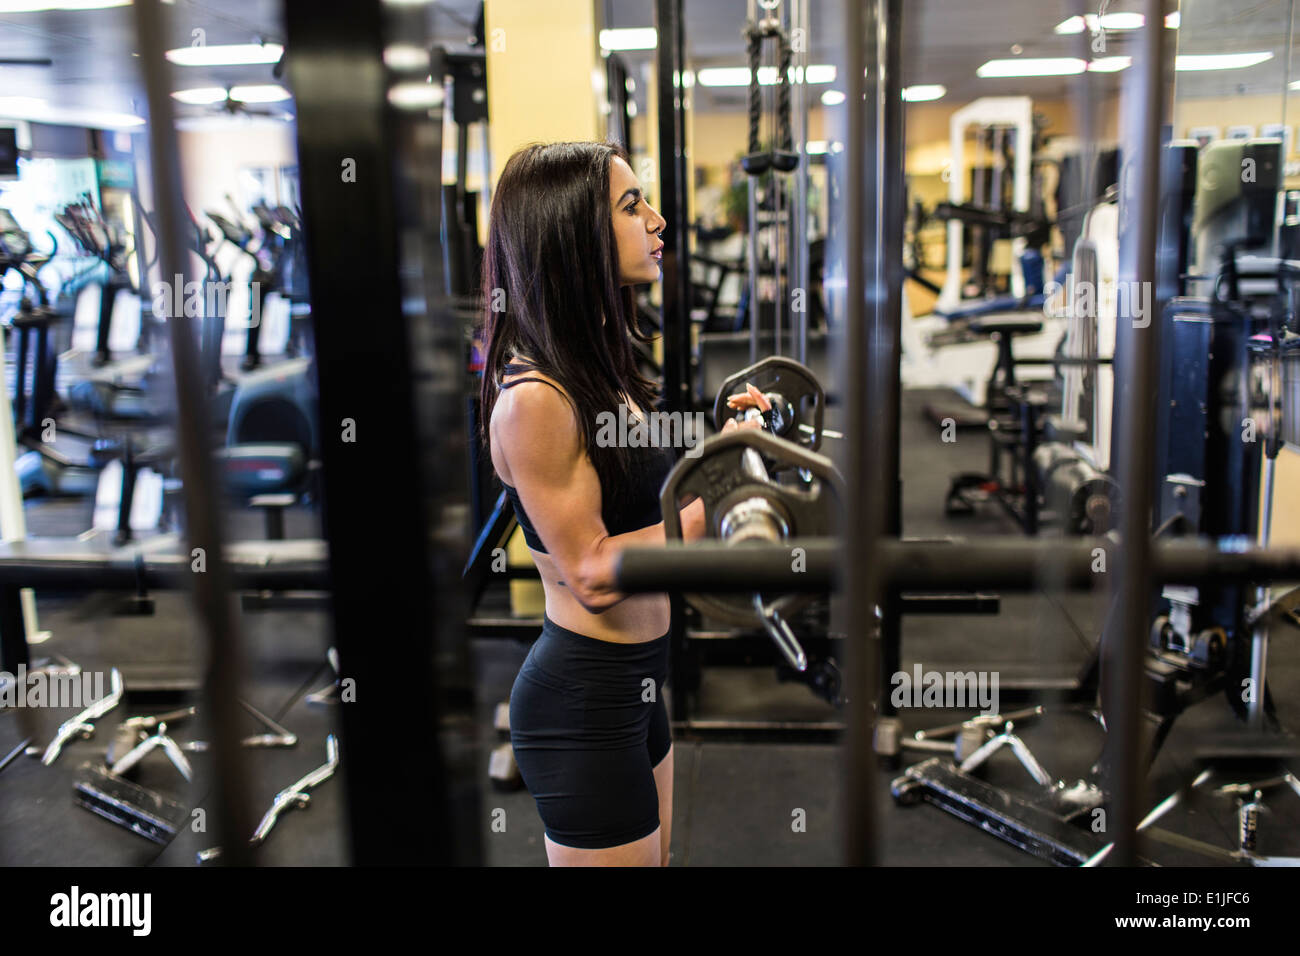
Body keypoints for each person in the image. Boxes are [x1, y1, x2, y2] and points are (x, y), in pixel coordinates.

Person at [478, 141, 766, 866]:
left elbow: (646, 492)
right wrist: (727, 496)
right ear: (573, 233)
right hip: (582, 699)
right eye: (633, 205)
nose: (659, 221)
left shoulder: (603, 369)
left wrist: (727, 438)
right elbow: (596, 574)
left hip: (642, 682)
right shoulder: (535, 401)